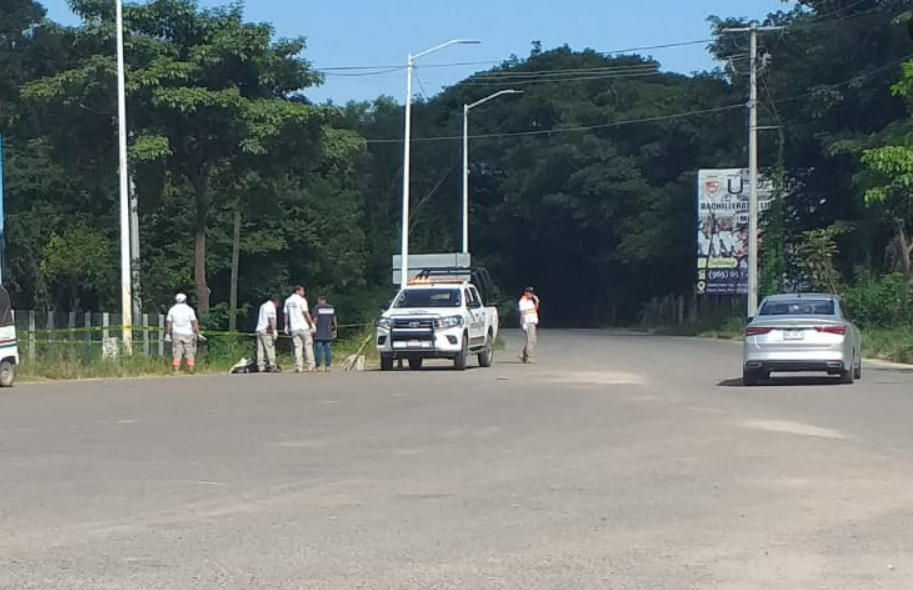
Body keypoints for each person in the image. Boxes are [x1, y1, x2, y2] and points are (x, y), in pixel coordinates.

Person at [284, 285, 316, 373]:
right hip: (303, 326)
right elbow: (306, 313)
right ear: (297, 291)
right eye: (302, 291)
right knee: (308, 345)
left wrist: (286, 325)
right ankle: (311, 365)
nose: (304, 292)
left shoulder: (288, 301)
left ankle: (299, 366)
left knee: (297, 347)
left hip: (294, 327)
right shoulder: (302, 300)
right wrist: (312, 324)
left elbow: (286, 314)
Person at [166, 293, 200, 374]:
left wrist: (167, 333)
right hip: (188, 333)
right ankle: (191, 368)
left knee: (177, 350)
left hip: (176, 333)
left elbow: (169, 322)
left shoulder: (172, 309)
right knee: (189, 350)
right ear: (185, 300)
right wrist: (198, 333)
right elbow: (194, 322)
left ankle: (176, 368)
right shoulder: (189, 309)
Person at [313, 296, 338, 372]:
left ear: (319, 300)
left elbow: (315, 319)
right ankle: (328, 366)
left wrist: (313, 328)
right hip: (328, 332)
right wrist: (335, 329)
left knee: (318, 349)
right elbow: (334, 318)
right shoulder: (331, 307)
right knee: (328, 350)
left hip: (319, 332)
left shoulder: (317, 307)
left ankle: (318, 366)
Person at [256, 297, 281, 373]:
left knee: (260, 349)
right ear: (276, 303)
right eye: (277, 306)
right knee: (270, 347)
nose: (277, 307)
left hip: (259, 329)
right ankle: (272, 365)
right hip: (267, 329)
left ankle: (260, 366)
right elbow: (271, 319)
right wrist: (274, 330)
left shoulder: (263, 305)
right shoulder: (271, 307)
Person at [518, 286, 540, 363]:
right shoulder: (523, 301)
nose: (531, 294)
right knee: (531, 340)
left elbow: (535, 309)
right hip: (527, 322)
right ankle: (528, 356)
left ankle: (523, 354)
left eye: (531, 293)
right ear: (526, 293)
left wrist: (537, 302)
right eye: (529, 292)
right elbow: (523, 312)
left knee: (533, 340)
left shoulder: (530, 301)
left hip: (532, 321)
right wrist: (524, 323)